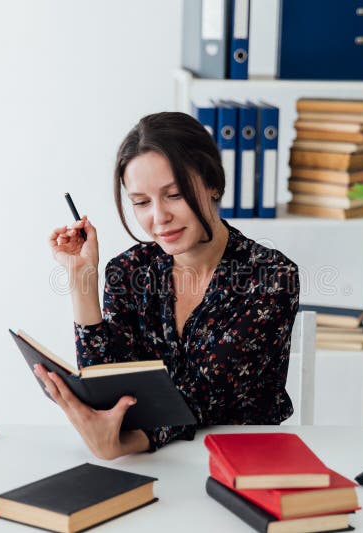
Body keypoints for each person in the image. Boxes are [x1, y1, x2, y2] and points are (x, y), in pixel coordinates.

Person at [39, 112, 299, 460]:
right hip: (153, 463)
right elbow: (106, 386)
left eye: (174, 195)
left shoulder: (270, 277)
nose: (159, 217)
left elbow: (206, 396)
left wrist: (121, 443)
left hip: (243, 463)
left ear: (212, 184)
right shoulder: (129, 270)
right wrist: (82, 279)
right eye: (142, 202)